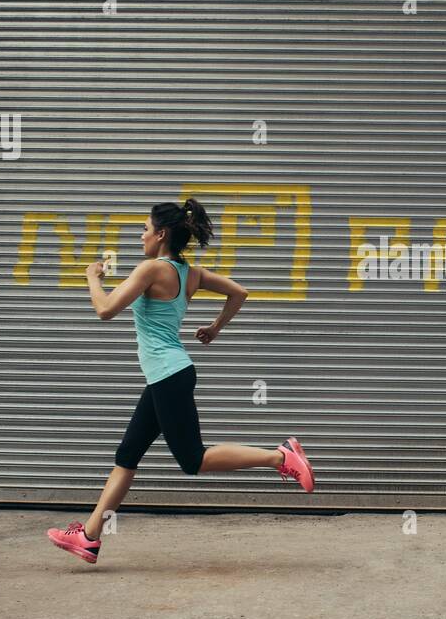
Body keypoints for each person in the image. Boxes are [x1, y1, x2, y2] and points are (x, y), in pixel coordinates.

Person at [47, 198, 314, 564]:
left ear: (161, 234)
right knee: (127, 456)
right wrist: (215, 328)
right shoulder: (191, 273)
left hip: (168, 376)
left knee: (193, 460)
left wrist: (92, 279)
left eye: (144, 229)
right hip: (167, 376)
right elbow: (240, 293)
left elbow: (105, 309)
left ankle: (278, 456)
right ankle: (90, 537)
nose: (140, 236)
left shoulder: (151, 269)